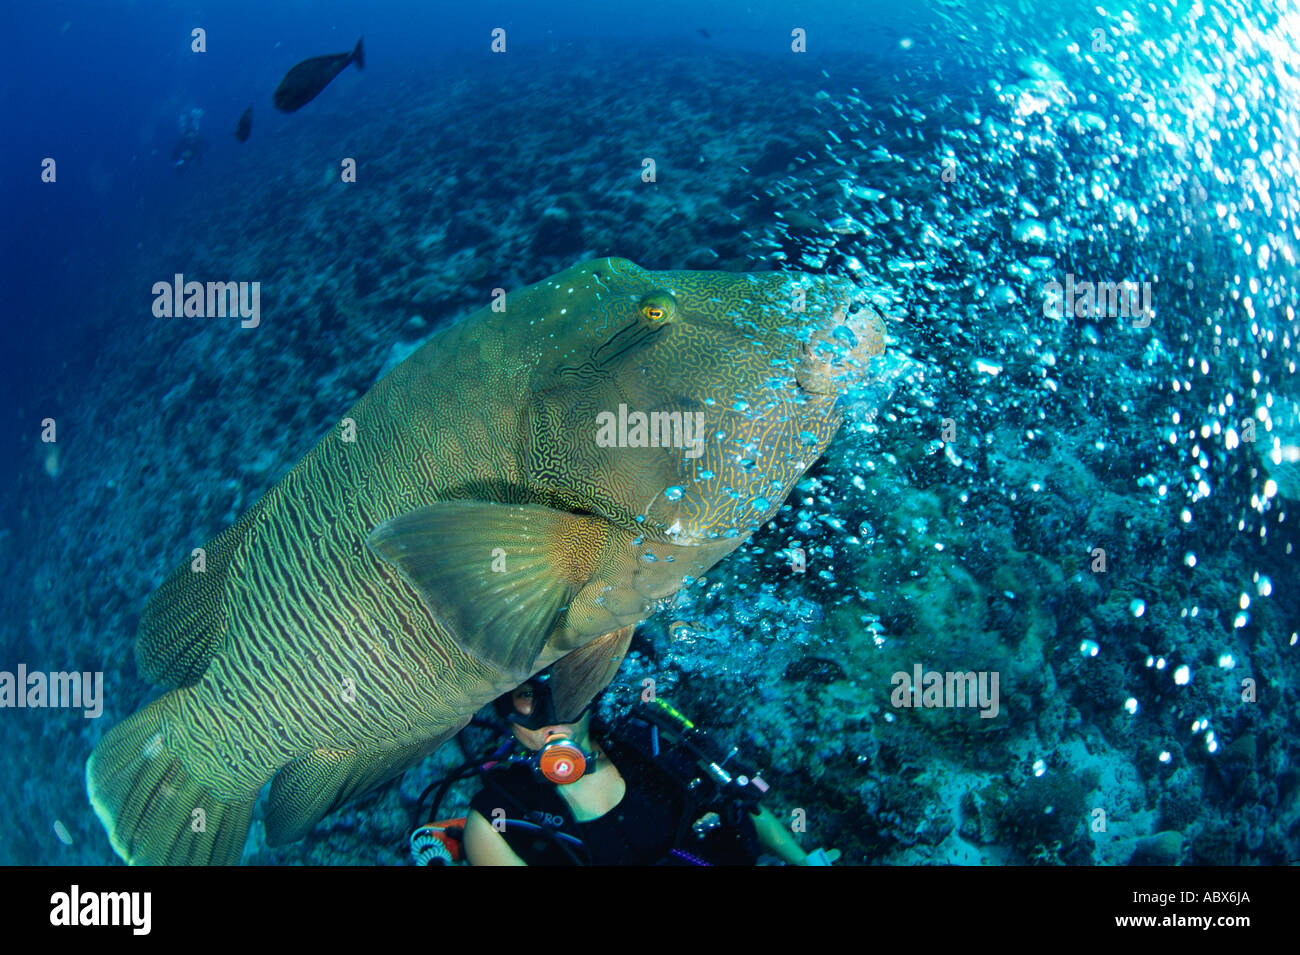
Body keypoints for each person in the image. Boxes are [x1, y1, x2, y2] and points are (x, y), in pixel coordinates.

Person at [460, 672, 830, 866]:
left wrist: (803, 859)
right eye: (526, 695)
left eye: (567, 685)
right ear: (502, 707)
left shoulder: (648, 739)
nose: (551, 716)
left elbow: (735, 800)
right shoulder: (498, 821)